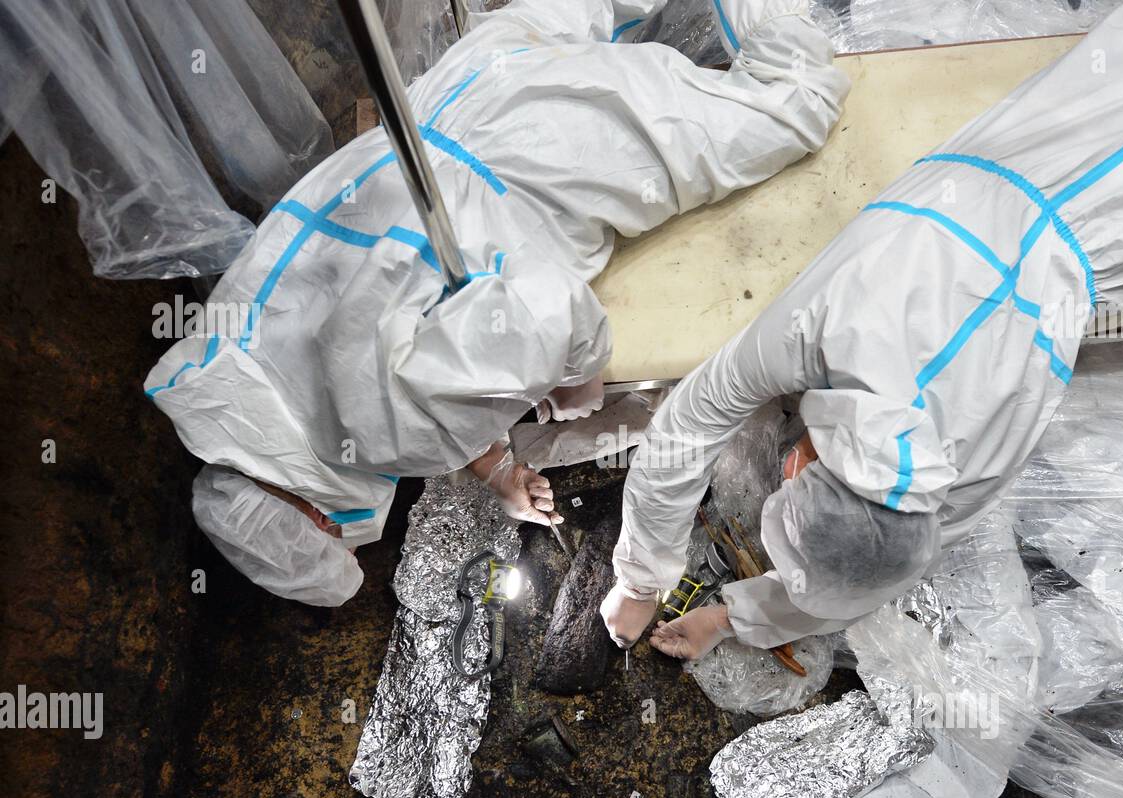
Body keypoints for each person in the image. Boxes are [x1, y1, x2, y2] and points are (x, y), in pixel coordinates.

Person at [602, 0, 1123, 655]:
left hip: (1119, 240)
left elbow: (864, 579)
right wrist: (668, 594)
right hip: (1031, 168)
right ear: (799, 467)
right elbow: (690, 425)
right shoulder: (824, 327)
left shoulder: (965, 477)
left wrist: (675, 594)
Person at [143, 0, 848, 606]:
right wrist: (495, 465)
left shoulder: (385, 439)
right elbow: (391, 348)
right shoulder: (233, 338)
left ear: (322, 525)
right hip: (465, 83)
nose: (354, 538)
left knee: (800, 102)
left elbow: (556, 310)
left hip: (558, 145)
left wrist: (578, 377)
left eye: (344, 544)